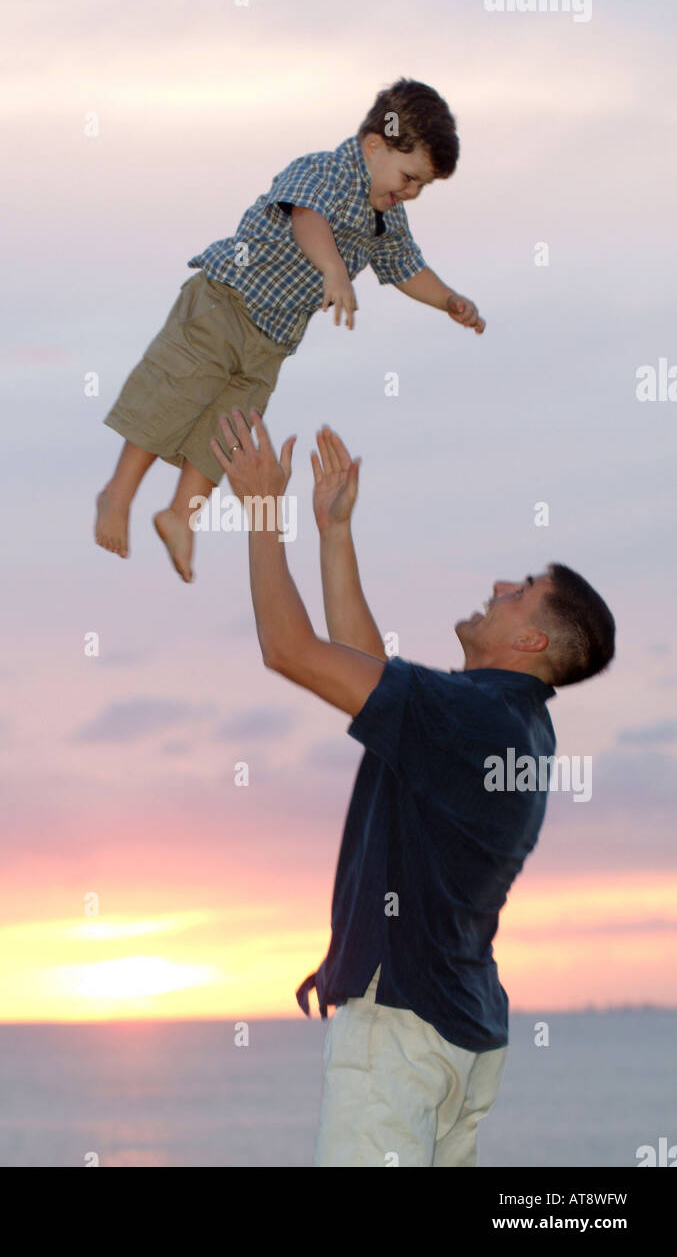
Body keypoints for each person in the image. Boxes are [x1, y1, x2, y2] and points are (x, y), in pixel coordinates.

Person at [209, 408, 616, 1168]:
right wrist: (334, 532)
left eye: (522, 590)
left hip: (402, 1032)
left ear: (530, 640)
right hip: (456, 1028)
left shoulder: (471, 718)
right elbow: (363, 673)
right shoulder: (513, 724)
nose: (500, 585)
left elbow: (289, 650)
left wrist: (261, 509)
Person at [95, 78, 485, 582]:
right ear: (375, 146)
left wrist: (448, 299)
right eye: (409, 177)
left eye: (421, 187)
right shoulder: (323, 171)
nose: (410, 192)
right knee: (174, 391)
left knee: (229, 431)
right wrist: (334, 269)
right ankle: (118, 493)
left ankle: (180, 515)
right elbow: (306, 218)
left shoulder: (387, 220)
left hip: (271, 342)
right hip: (224, 302)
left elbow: (407, 268)